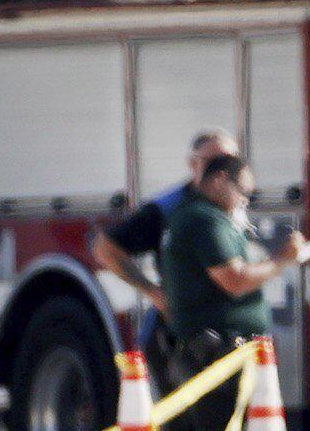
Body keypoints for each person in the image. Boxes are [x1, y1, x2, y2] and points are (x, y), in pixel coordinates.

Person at [157, 149, 294, 431]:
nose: (245, 201)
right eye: (242, 192)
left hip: (212, 352)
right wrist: (283, 260)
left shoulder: (204, 218)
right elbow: (233, 279)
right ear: (218, 181)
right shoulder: (204, 220)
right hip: (216, 354)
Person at [92, 127, 239, 362]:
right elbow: (106, 248)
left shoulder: (237, 204)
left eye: (229, 162)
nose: (221, 170)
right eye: (212, 162)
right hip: (185, 341)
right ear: (193, 165)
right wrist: (152, 291)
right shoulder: (170, 208)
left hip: (227, 333)